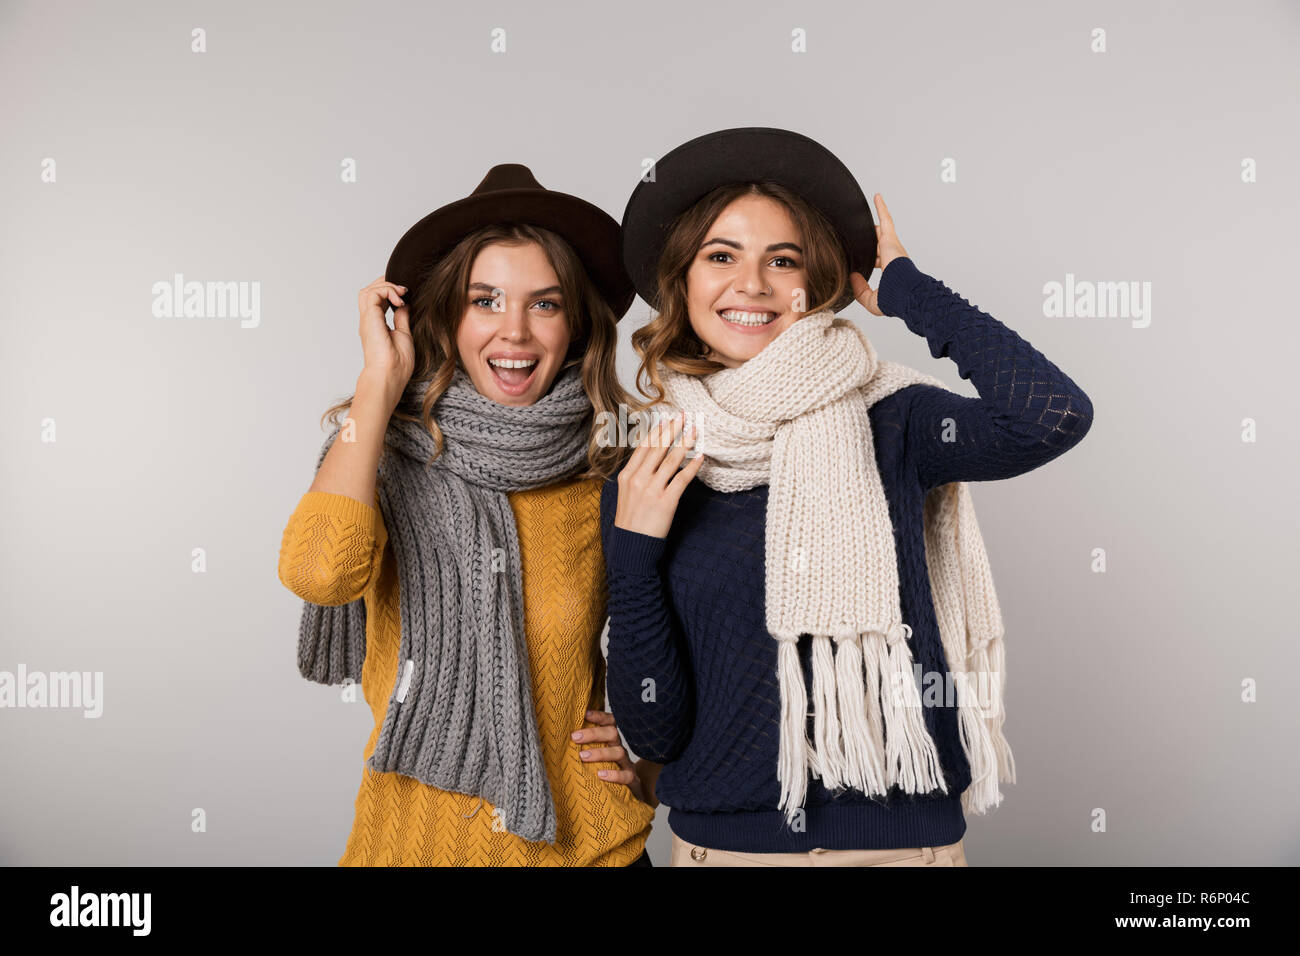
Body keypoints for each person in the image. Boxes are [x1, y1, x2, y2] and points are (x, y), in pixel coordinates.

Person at [601, 127, 1095, 866]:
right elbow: (657, 733)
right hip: (730, 853)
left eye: (784, 260)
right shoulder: (652, 464)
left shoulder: (890, 419)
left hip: (901, 848)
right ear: (683, 280)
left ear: (816, 283)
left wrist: (909, 291)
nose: (754, 284)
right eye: (721, 256)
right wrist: (634, 554)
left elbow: (1052, 415)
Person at [278, 164, 656, 866]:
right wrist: (377, 386)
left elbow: (701, 633)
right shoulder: (379, 452)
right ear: (448, 315)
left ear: (575, 323)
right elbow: (320, 574)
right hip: (411, 849)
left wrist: (656, 761)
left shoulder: (614, 461)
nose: (514, 332)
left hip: (589, 850)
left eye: (544, 304)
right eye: (486, 300)